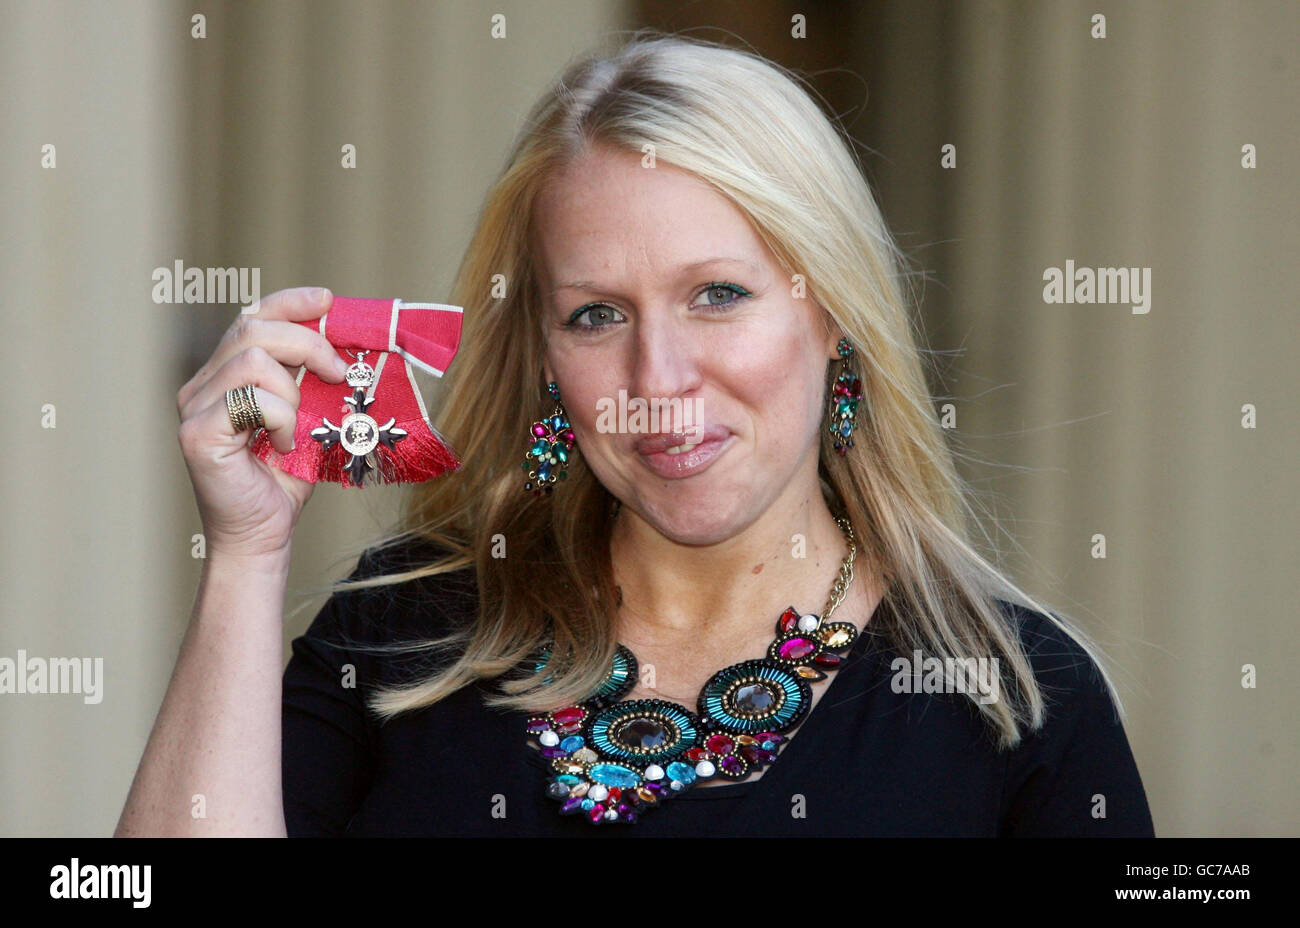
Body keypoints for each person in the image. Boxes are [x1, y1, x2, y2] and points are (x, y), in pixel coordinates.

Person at [115, 33, 1154, 837]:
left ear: (829, 311)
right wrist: (246, 557)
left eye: (716, 294)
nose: (657, 379)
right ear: (545, 351)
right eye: (596, 315)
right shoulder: (403, 635)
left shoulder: (1016, 704)